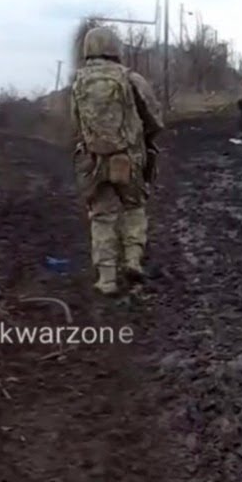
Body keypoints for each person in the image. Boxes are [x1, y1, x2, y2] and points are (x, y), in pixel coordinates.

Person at [69, 26, 165, 295]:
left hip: (93, 161)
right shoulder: (130, 79)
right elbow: (155, 119)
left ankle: (107, 278)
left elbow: (76, 123)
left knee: (101, 216)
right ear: (115, 48)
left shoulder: (78, 82)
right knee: (134, 208)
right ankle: (133, 260)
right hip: (129, 158)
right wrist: (141, 140)